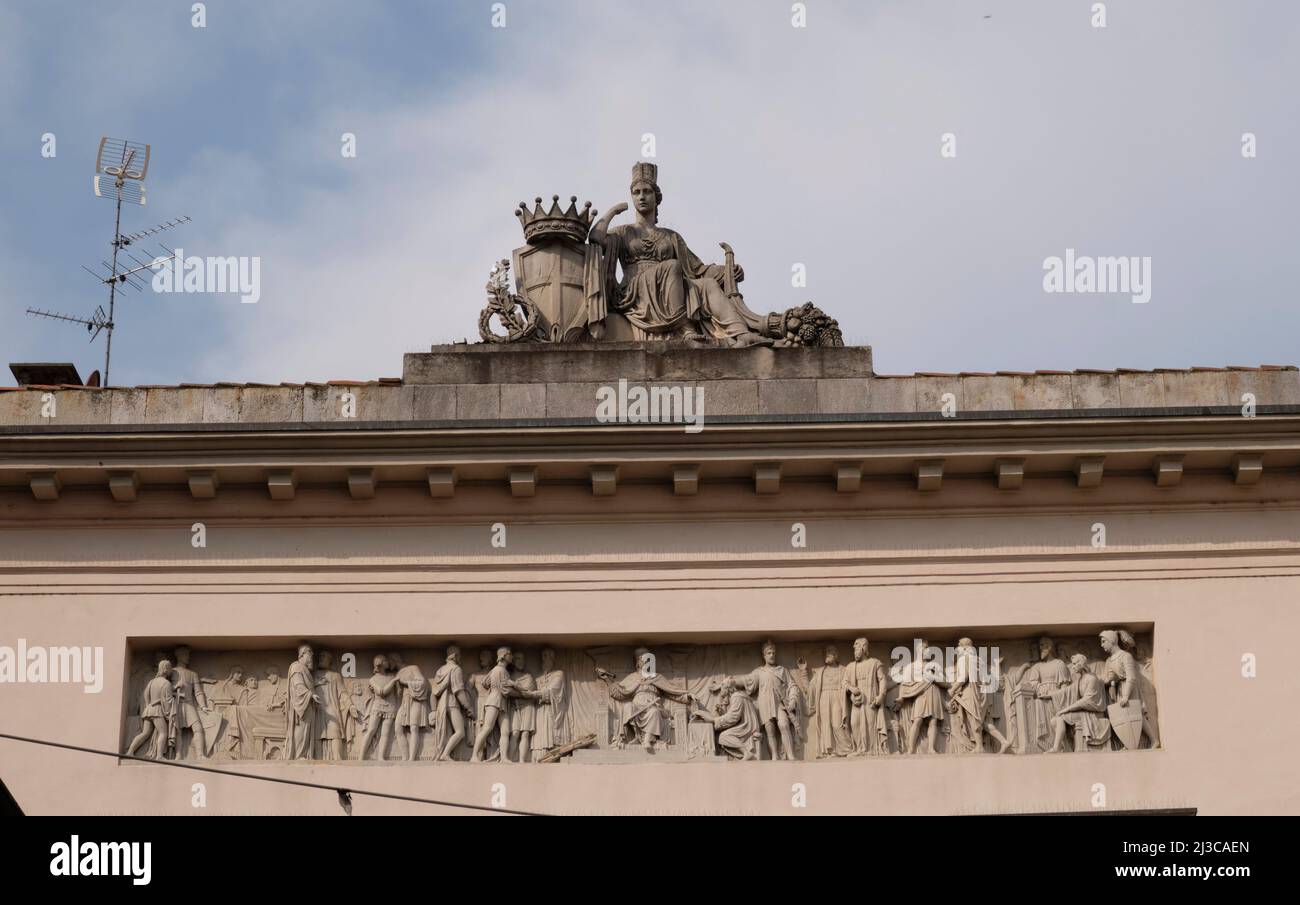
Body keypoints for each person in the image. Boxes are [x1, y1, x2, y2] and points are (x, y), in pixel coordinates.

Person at [588, 162, 772, 347]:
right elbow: (596, 238)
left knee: (707, 285)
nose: (641, 197)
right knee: (672, 266)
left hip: (670, 287)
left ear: (656, 197)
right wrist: (613, 211)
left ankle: (741, 333)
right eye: (636, 192)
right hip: (635, 290)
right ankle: (685, 329)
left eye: (647, 191)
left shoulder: (671, 236)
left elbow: (697, 268)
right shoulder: (622, 232)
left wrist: (726, 271)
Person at [597, 647, 693, 753]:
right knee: (628, 706)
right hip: (637, 706)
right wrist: (607, 679)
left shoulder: (657, 677)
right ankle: (637, 737)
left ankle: (647, 739)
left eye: (649, 660)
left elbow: (673, 692)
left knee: (654, 712)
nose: (647, 662)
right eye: (644, 660)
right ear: (638, 663)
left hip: (653, 705)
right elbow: (619, 693)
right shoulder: (632, 677)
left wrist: (687, 696)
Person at [1047, 654, 1113, 752]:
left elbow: (1087, 700)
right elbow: (1066, 692)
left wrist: (1067, 709)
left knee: (1060, 717)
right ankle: (1066, 748)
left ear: (1081, 664)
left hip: (1093, 714)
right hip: (1084, 713)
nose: (1072, 667)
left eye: (1074, 664)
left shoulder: (1092, 679)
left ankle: (1056, 748)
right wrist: (1050, 695)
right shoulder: (1080, 680)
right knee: (1053, 721)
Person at [841, 637, 889, 756]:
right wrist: (852, 690)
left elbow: (882, 680)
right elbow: (845, 682)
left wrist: (881, 695)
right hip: (857, 700)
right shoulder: (851, 666)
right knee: (854, 723)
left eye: (856, 647)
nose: (854, 651)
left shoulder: (875, 663)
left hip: (870, 698)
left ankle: (870, 750)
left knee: (870, 724)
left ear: (863, 648)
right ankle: (859, 748)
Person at [471, 647, 516, 762]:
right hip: (495, 700)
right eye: (510, 654)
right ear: (503, 656)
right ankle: (474, 756)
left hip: (501, 701)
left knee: (505, 731)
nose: (512, 656)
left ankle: (504, 757)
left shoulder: (495, 670)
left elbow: (484, 682)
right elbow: (506, 690)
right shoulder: (500, 670)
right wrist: (523, 691)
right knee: (487, 728)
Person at [126, 659, 176, 760]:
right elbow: (168, 701)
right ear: (166, 669)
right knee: (163, 733)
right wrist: (169, 712)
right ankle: (159, 756)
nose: (171, 670)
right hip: (157, 711)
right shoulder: (166, 683)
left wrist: (149, 705)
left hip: (148, 710)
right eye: (170, 668)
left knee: (145, 733)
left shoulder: (152, 682)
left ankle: (130, 751)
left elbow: (145, 696)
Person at [431, 645, 474, 761]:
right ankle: (445, 754)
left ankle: (443, 753)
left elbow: (433, 692)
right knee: (460, 732)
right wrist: (469, 707)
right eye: (459, 656)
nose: (460, 658)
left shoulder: (440, 670)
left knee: (447, 731)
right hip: (452, 703)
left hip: (441, 705)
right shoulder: (456, 669)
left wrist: (433, 710)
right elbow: (459, 691)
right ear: (455, 656)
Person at [358, 655, 401, 760]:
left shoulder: (391, 676)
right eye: (386, 660)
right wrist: (394, 682)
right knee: (371, 730)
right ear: (380, 663)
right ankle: (361, 756)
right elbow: (381, 692)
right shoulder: (373, 679)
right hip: (377, 706)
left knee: (385, 734)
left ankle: (381, 757)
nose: (388, 662)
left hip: (390, 707)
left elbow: (399, 694)